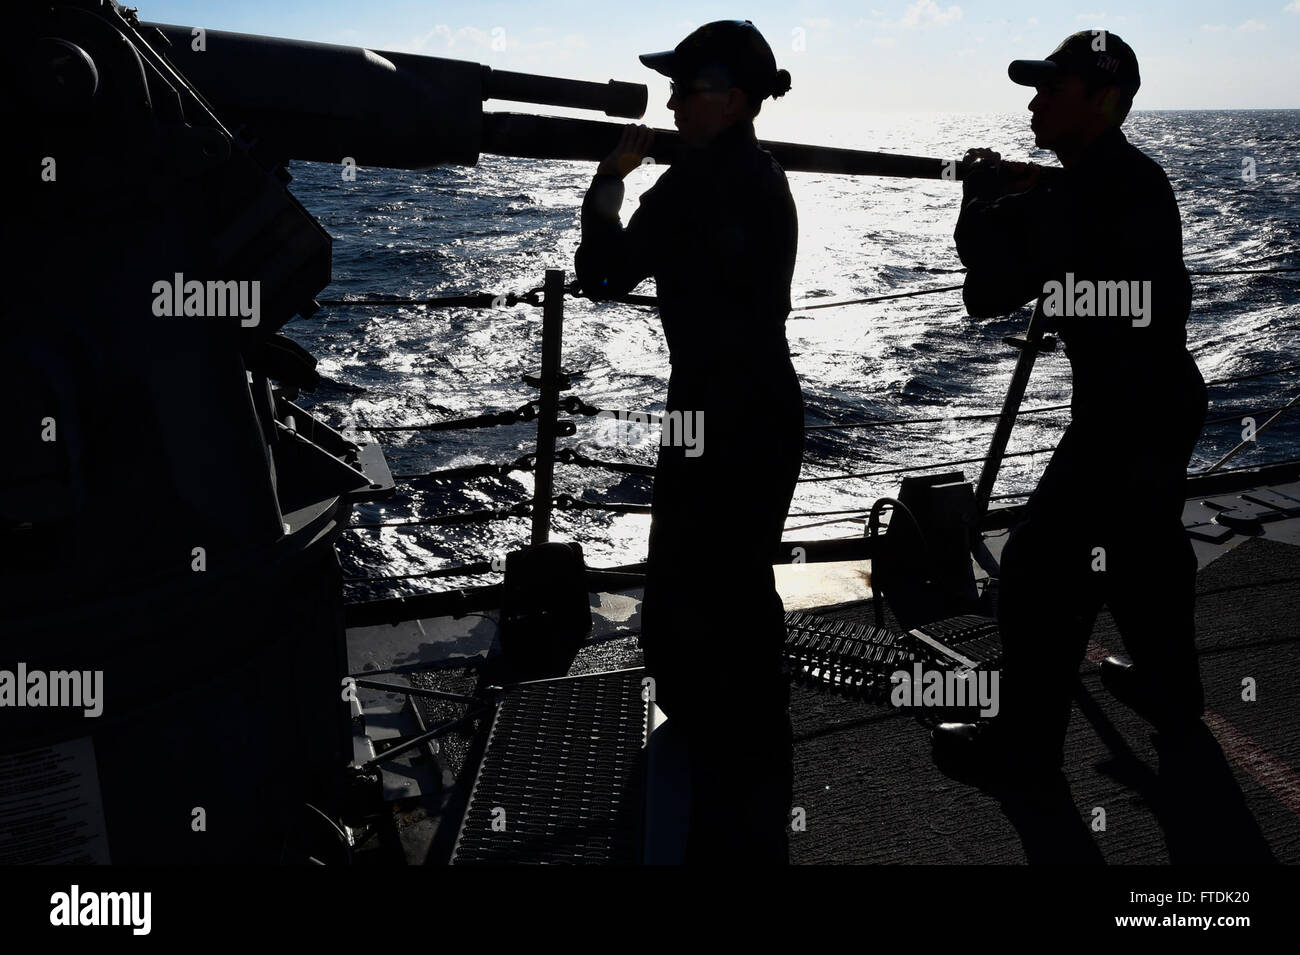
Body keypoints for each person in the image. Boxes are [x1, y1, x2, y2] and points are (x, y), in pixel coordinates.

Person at [932, 31, 1208, 781]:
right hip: (1160, 403)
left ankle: (1022, 748)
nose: (1034, 102)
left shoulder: (1088, 192)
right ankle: (1170, 692)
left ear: (1105, 99)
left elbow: (986, 292)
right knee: (1147, 559)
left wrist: (978, 201)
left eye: (1054, 89)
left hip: (1125, 421)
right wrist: (1015, 200)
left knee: (1037, 573)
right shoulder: (1124, 178)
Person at [574, 19, 802, 862]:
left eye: (685, 89)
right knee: (737, 585)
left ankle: (722, 782)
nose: (670, 100)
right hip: (766, 409)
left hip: (711, 413)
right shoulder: (760, 174)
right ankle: (749, 776)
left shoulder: (693, 185)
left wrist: (608, 183)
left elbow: (601, 276)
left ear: (734, 100)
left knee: (690, 586)